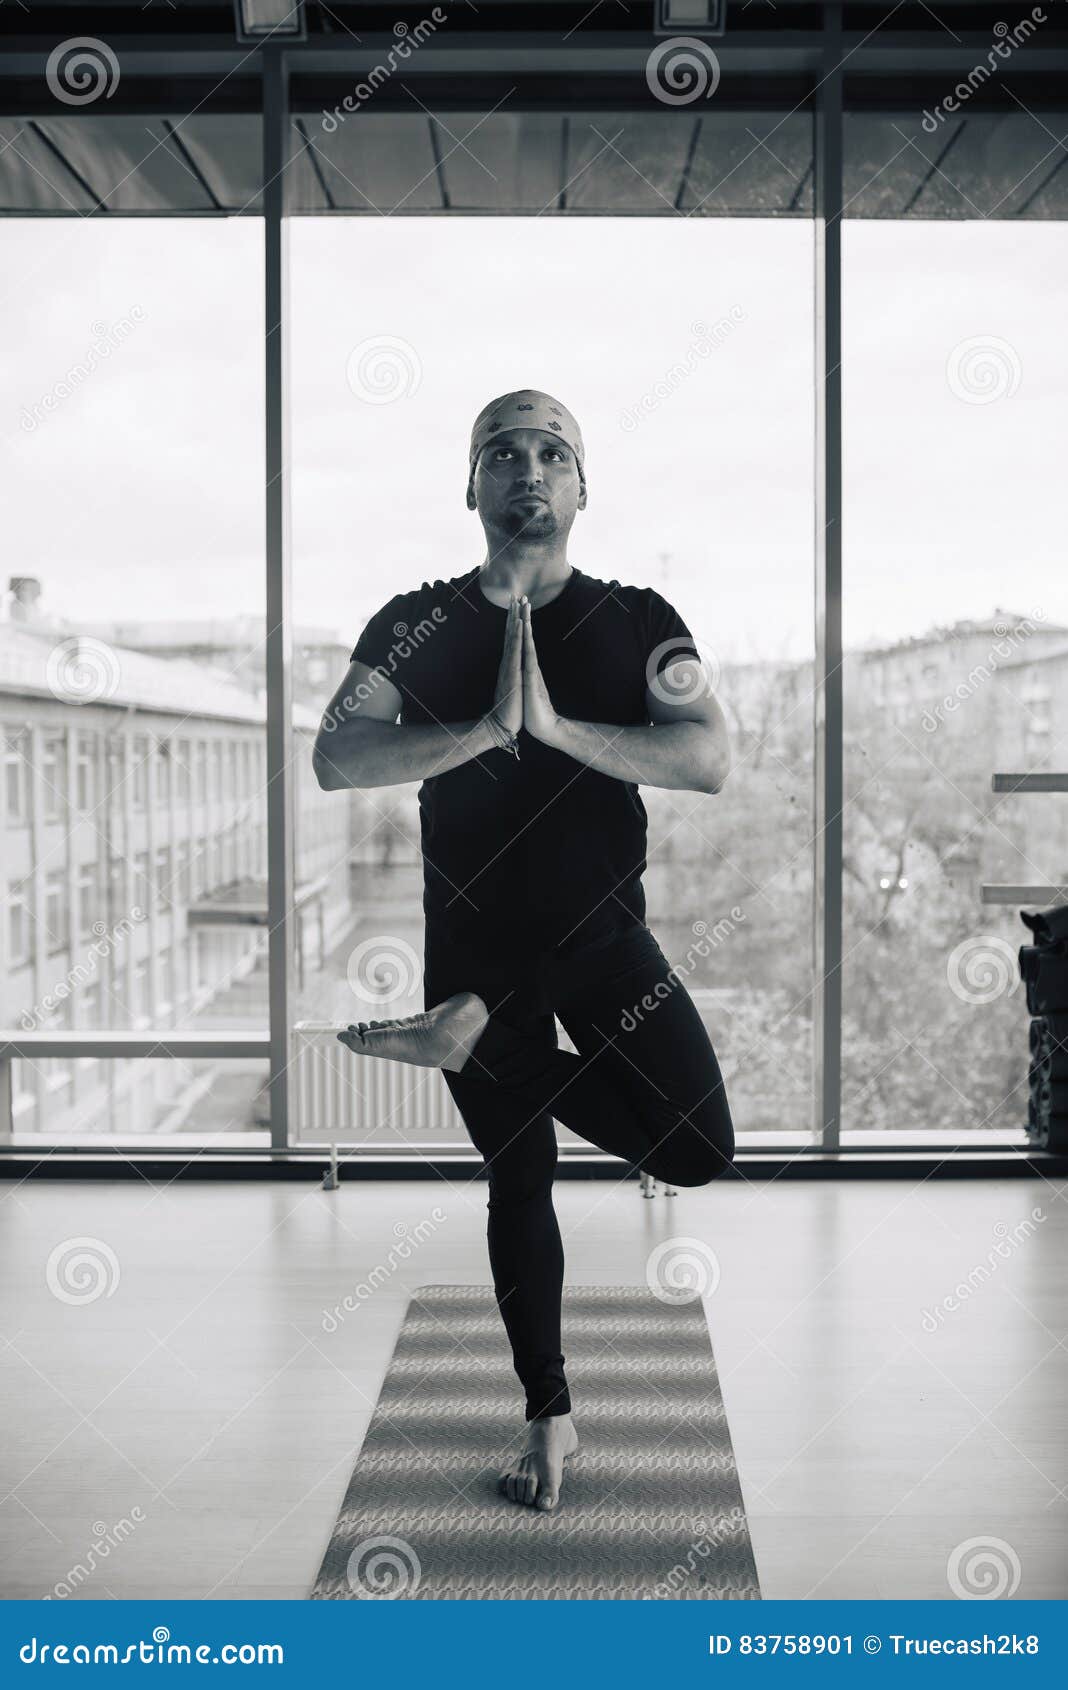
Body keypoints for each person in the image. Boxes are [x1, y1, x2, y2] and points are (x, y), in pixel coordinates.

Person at [313, 389, 736, 1513]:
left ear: (584, 487)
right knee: (522, 1179)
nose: (528, 468)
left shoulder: (641, 617)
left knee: (696, 1148)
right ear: (472, 486)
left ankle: (468, 1050)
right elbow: (336, 756)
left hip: (603, 942)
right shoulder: (415, 621)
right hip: (477, 953)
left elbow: (707, 757)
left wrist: (557, 734)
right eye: (501, 451)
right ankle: (549, 1418)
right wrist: (483, 733)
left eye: (554, 451)